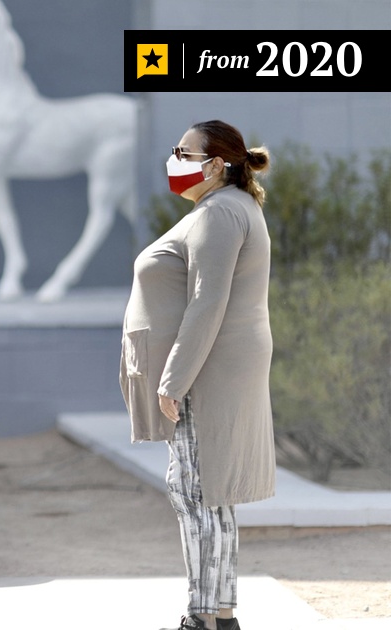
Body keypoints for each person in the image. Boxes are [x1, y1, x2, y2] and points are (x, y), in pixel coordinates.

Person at [122, 120, 274, 630]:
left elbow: (208, 301)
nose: (175, 159)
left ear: (214, 165)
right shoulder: (229, 208)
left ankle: (202, 618)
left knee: (193, 494)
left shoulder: (220, 212)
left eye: (183, 152)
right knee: (213, 496)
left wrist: (173, 379)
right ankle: (220, 615)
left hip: (206, 373)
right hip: (217, 367)